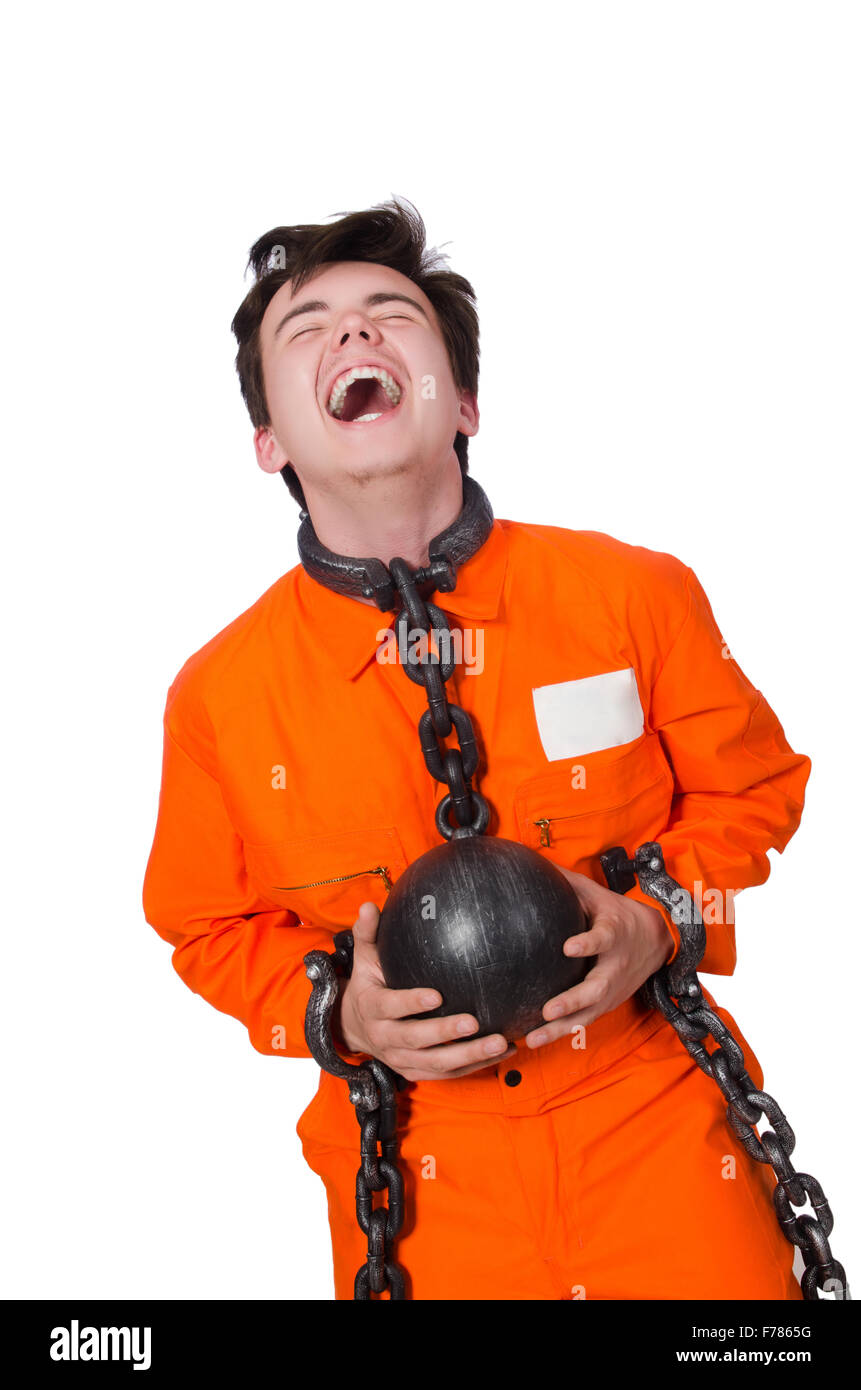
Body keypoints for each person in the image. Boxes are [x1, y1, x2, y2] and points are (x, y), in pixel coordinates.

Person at [142, 196, 811, 1300]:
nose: (354, 336)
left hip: (658, 1131)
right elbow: (208, 926)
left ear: (465, 401)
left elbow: (756, 794)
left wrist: (661, 922)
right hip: (416, 1174)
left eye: (392, 315)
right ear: (268, 441)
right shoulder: (220, 698)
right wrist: (339, 1015)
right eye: (308, 328)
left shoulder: (633, 596)